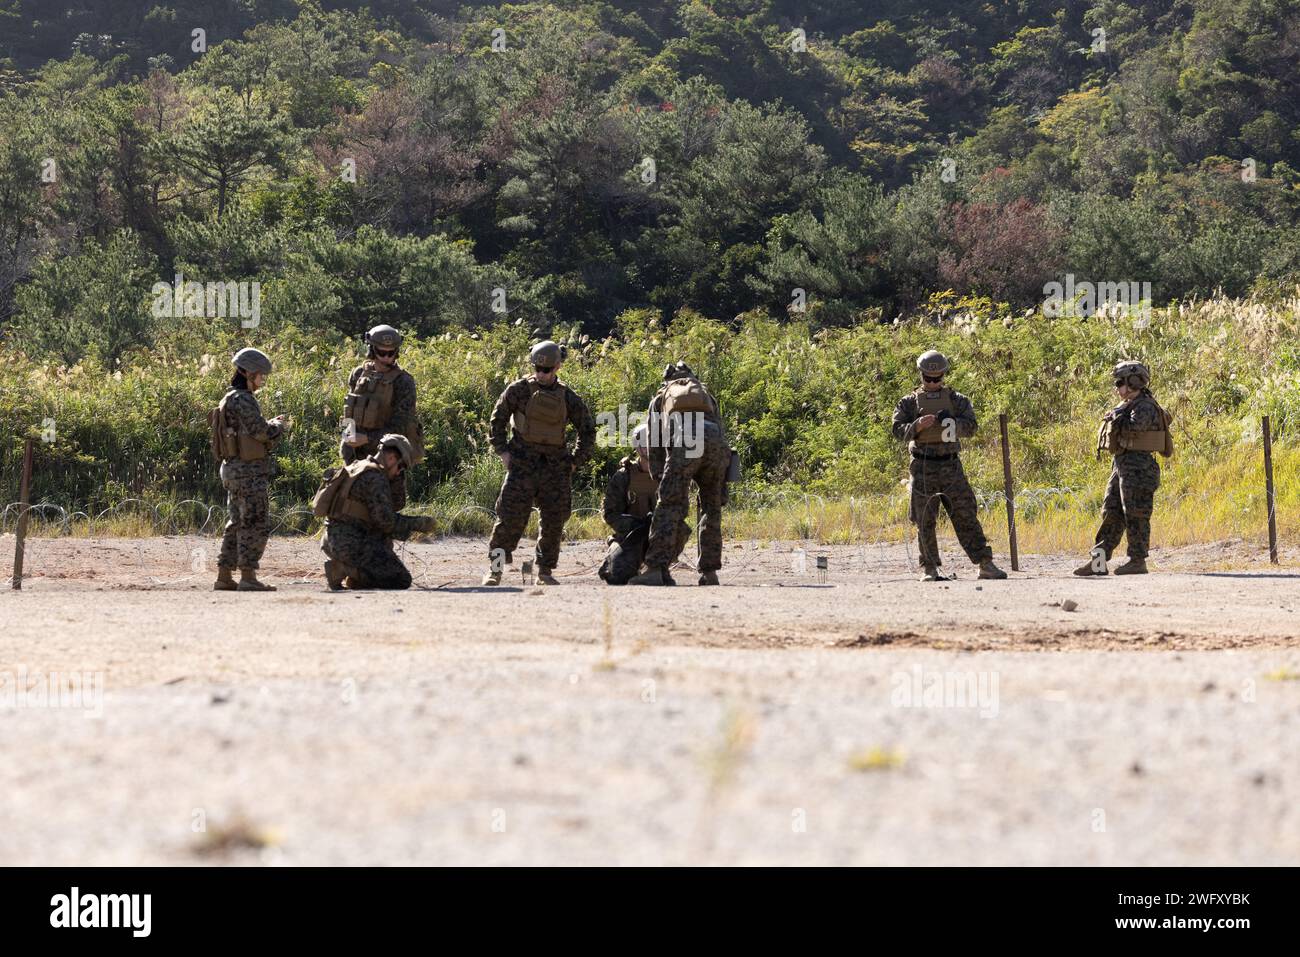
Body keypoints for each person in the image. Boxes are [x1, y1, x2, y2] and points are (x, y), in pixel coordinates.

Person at [482, 340, 597, 586]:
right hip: (521, 466)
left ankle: (544, 571)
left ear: (557, 367)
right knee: (509, 520)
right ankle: (495, 570)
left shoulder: (568, 397)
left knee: (554, 522)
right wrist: (502, 451)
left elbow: (588, 430)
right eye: (537, 368)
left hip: (555, 469)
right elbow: (497, 419)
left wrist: (575, 462)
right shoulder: (518, 390)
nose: (541, 374)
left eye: (547, 370)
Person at [890, 350, 1007, 581]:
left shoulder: (957, 400)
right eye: (928, 379)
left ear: (944, 375)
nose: (933, 383)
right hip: (923, 466)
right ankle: (929, 568)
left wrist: (952, 422)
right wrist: (916, 427)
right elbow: (897, 430)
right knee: (924, 520)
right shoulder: (908, 403)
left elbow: (972, 427)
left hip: (951, 467)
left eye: (937, 378)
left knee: (966, 515)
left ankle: (985, 564)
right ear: (921, 376)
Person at [629, 362, 729, 586]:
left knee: (669, 506)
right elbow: (721, 431)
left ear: (667, 380)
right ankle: (709, 572)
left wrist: (660, 477)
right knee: (711, 509)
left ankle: (656, 569)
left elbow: (654, 441)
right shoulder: (706, 395)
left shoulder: (661, 397)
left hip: (686, 444)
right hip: (716, 447)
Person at [1074, 361, 1171, 576]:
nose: (1117, 388)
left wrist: (1116, 416)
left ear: (1133, 382)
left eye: (1120, 383)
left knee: (1136, 514)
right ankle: (1098, 562)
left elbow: (1134, 429)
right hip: (1122, 466)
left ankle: (1137, 561)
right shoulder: (1129, 405)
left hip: (1139, 469)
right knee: (1111, 513)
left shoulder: (1144, 406)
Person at [210, 347, 290, 592]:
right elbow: (260, 432)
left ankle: (225, 576)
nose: (262, 379)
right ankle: (248, 576)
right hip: (247, 471)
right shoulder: (243, 399)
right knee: (255, 522)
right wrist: (279, 425)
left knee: (236, 522)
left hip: (234, 469)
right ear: (247, 373)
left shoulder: (230, 398)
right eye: (259, 375)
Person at [321, 434, 435, 590]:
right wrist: (420, 524)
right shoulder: (375, 478)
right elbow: (386, 522)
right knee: (401, 579)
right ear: (391, 458)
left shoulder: (358, 466)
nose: (398, 474)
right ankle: (344, 570)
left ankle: (354, 576)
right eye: (401, 468)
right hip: (349, 544)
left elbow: (393, 507)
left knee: (384, 544)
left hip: (331, 540)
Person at [341, 324, 421, 508]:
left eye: (391, 353)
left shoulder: (404, 382)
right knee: (353, 510)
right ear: (371, 350)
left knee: (385, 513)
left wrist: (367, 439)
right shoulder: (358, 374)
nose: (387, 358)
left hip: (387, 458)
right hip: (355, 456)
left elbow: (400, 428)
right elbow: (348, 411)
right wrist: (348, 436)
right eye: (381, 353)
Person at [599, 423, 690, 585]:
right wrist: (635, 524)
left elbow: (681, 509)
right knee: (617, 578)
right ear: (637, 447)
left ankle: (659, 569)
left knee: (680, 528)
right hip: (631, 535)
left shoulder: (667, 475)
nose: (650, 448)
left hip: (660, 534)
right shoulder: (624, 476)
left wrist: (658, 521)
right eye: (646, 444)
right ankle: (624, 561)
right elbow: (609, 513)